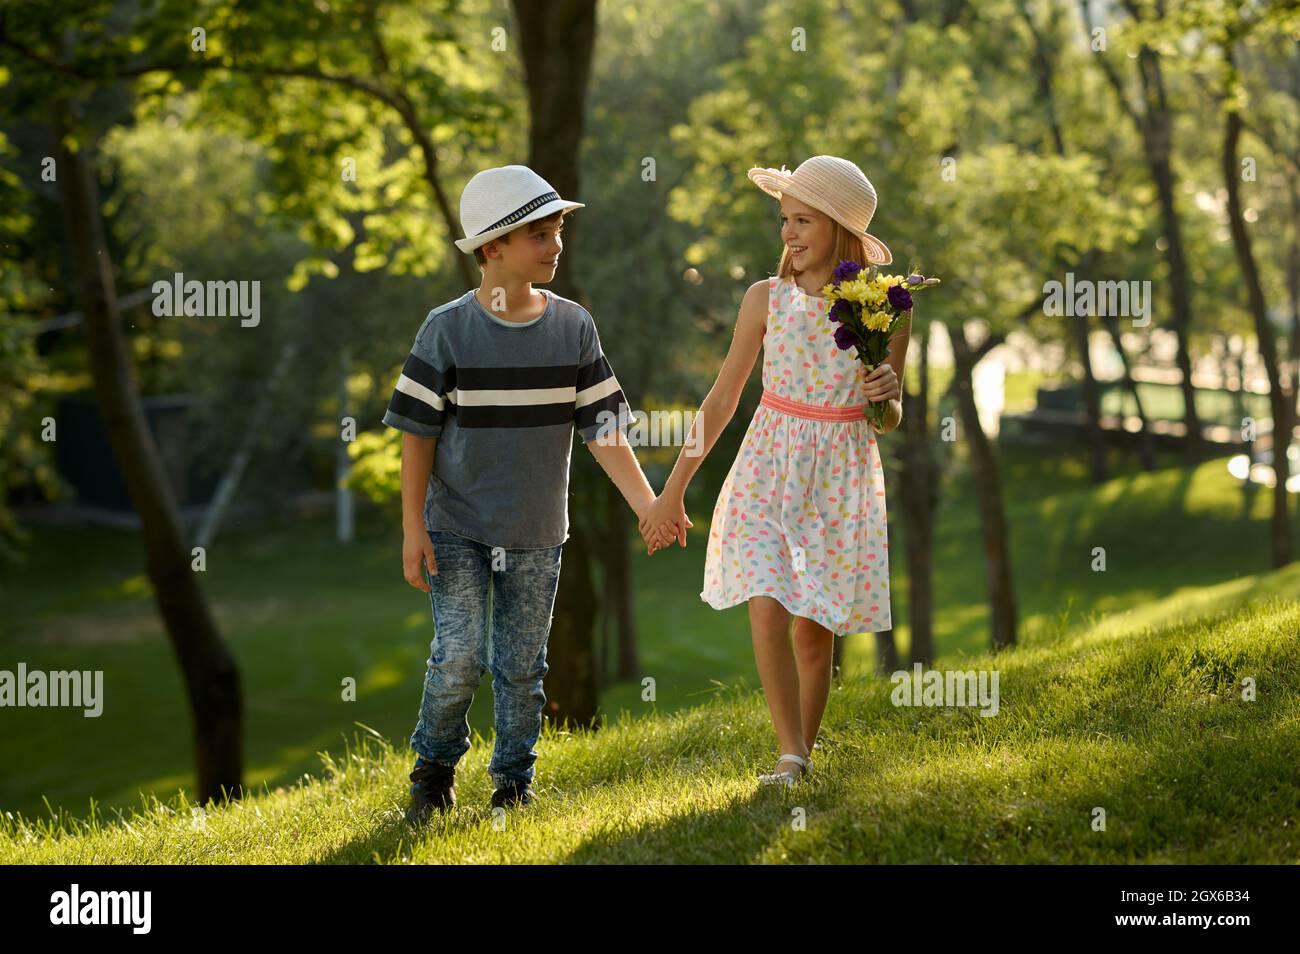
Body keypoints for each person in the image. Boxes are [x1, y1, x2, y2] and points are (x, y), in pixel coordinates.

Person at [382, 164, 685, 821]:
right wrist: (412, 529)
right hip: (456, 527)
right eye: (539, 235)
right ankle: (433, 770)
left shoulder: (573, 328)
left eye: (557, 232)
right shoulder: (446, 329)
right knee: (459, 658)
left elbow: (604, 432)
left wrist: (649, 506)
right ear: (492, 247)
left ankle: (512, 785)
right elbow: (416, 434)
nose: (555, 247)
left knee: (523, 669)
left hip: (536, 532)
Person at [639, 155, 909, 787]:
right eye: (785, 219)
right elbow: (723, 397)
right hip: (769, 464)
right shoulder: (766, 299)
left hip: (838, 474)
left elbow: (888, 418)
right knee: (766, 604)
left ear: (841, 232)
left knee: (814, 633)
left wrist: (887, 393)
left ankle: (804, 754)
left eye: (804, 220)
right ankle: (789, 753)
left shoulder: (883, 308)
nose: (789, 233)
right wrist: (673, 489)